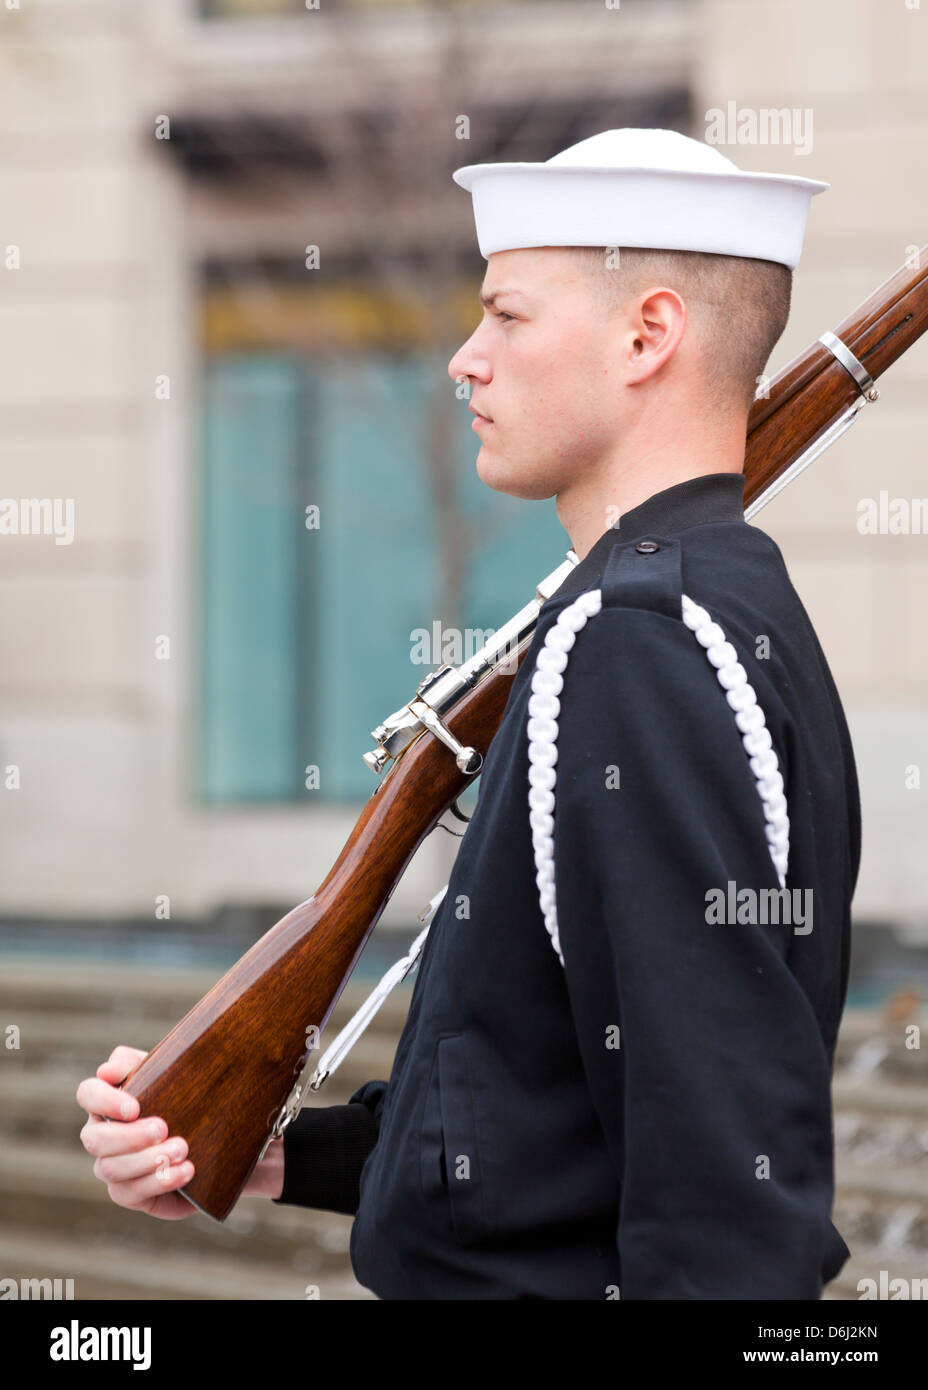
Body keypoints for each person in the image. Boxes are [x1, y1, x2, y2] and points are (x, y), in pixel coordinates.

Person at [77, 128, 861, 1298]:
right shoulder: (694, 602)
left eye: (507, 315)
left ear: (647, 334)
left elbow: (726, 1208)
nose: (463, 358)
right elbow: (564, 1096)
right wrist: (268, 1147)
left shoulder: (637, 634)